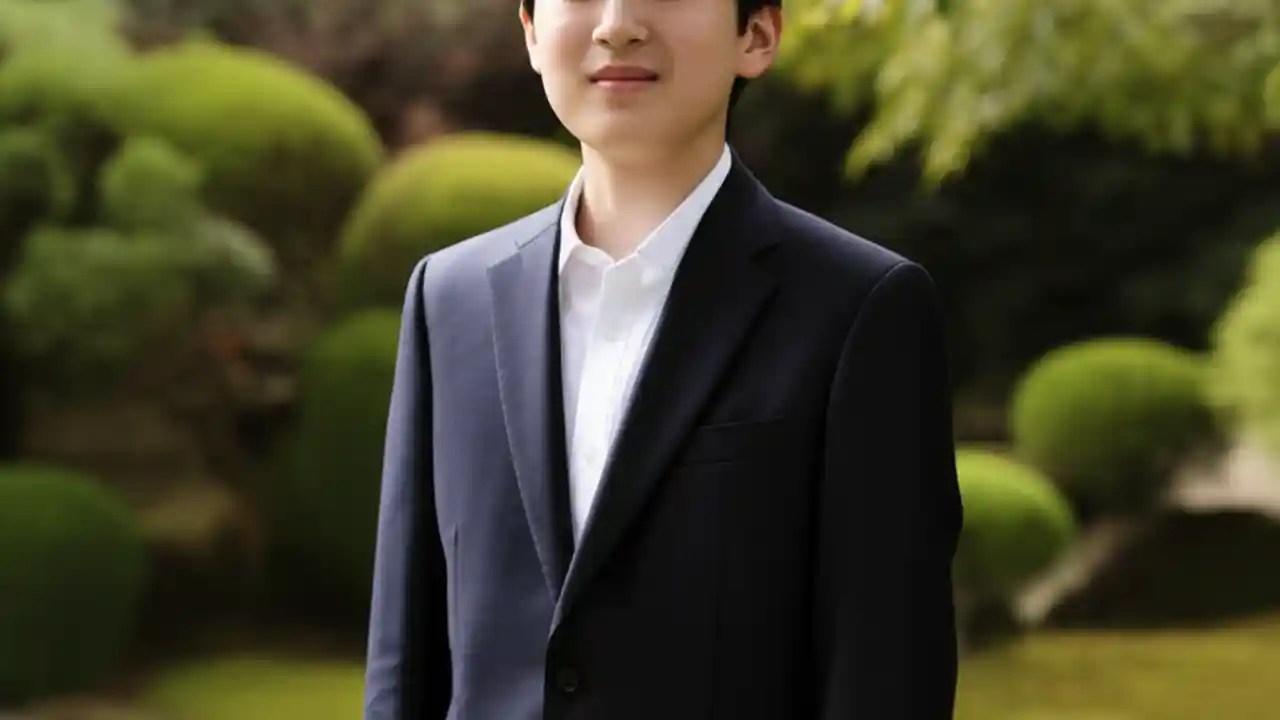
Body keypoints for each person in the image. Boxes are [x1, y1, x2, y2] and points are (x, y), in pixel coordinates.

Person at [363, 0, 964, 717]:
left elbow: (887, 678)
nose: (617, 24)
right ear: (529, 30)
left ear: (758, 34)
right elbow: (405, 661)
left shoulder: (858, 311)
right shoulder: (448, 300)